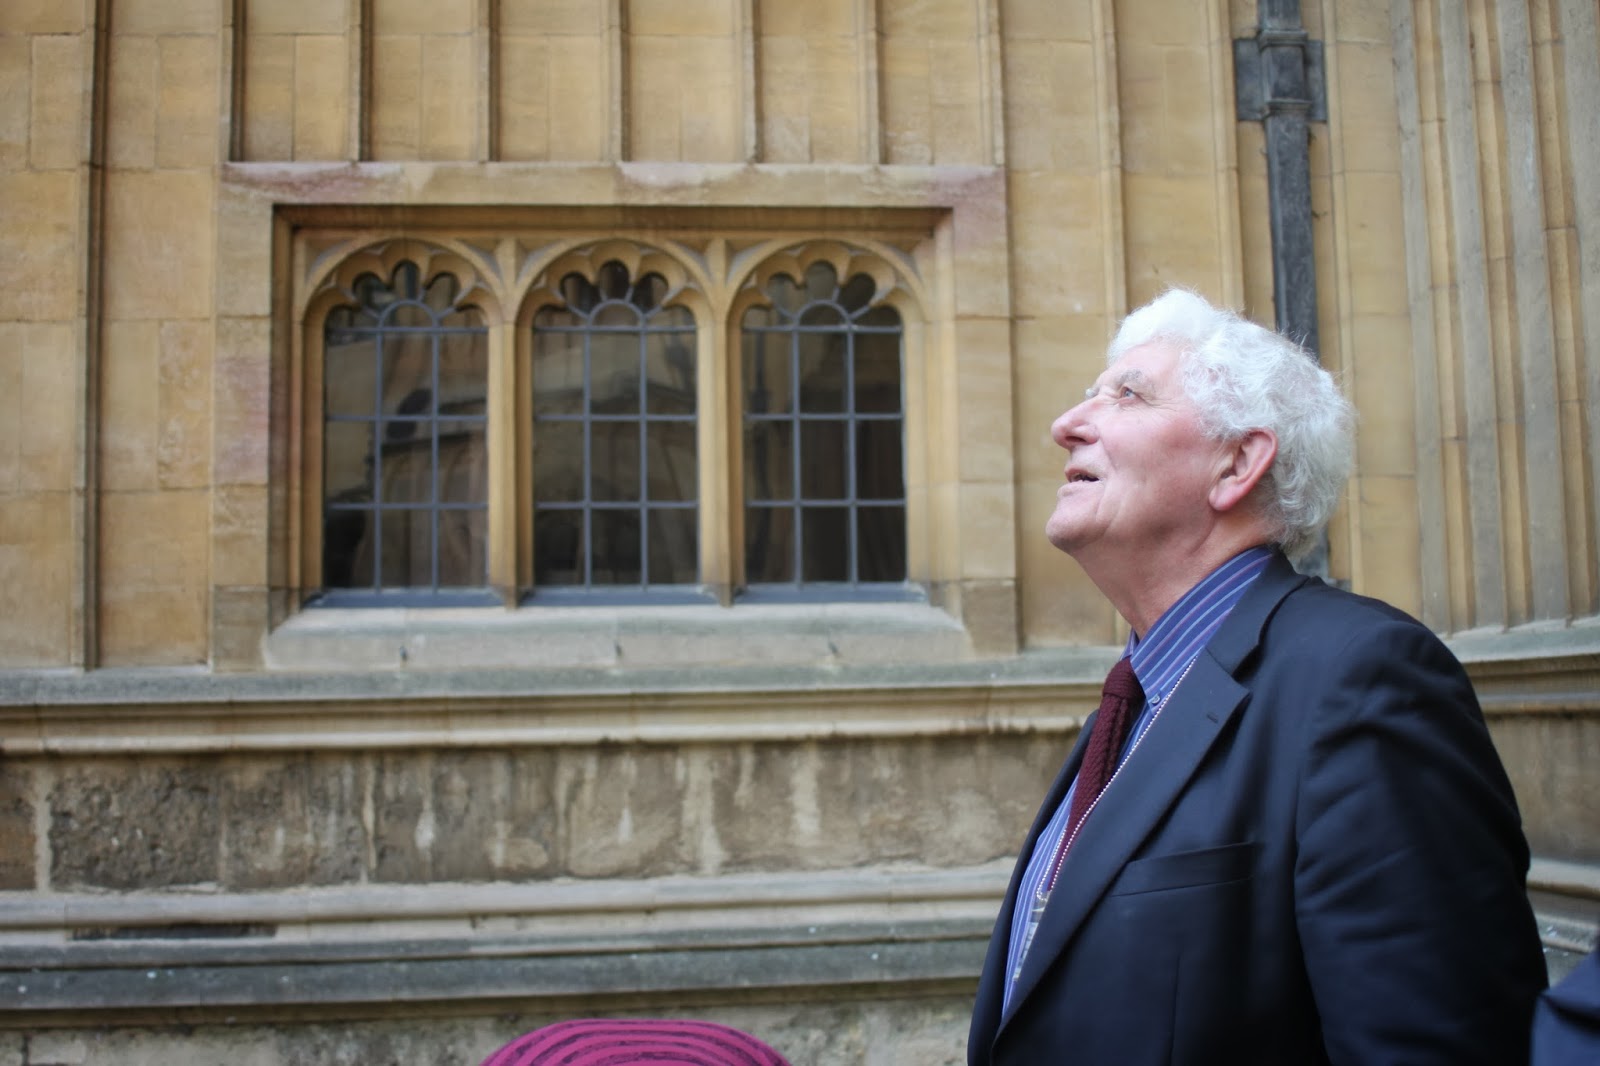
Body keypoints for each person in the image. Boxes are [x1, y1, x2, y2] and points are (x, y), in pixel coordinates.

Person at [968, 288, 1548, 1065]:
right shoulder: (1138, 699)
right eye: (1089, 395)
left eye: (1127, 395)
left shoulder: (1361, 679)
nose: (1066, 424)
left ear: (1238, 463)